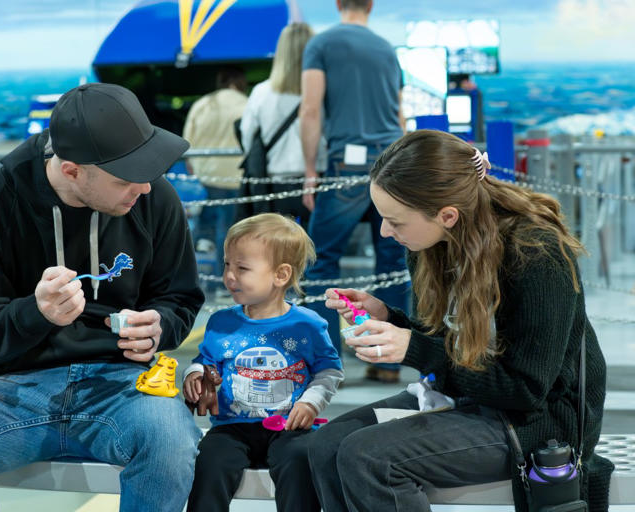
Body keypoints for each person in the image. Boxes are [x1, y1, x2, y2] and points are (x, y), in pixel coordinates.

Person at [0, 83, 205, 512]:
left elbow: (179, 297)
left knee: (172, 443)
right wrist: (35, 313)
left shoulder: (152, 196)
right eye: (125, 178)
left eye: (147, 171)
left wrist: (160, 326)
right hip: (15, 385)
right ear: (71, 170)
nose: (143, 188)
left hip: (123, 383)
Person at [307, 130, 614, 512]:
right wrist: (389, 318)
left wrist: (413, 348)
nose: (385, 232)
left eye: (394, 221)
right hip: (468, 396)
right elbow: (446, 342)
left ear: (447, 215)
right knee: (324, 445)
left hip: (537, 421)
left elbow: (525, 390)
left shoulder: (536, 255)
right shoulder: (430, 244)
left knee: (369, 456)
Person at [183, 213, 344, 512]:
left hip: (288, 428)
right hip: (231, 427)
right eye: (227, 265)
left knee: (301, 459)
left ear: (281, 275)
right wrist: (195, 375)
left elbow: (329, 370)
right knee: (208, 460)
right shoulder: (220, 322)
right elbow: (204, 360)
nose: (230, 276)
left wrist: (310, 403)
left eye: (242, 268)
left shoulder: (307, 325)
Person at [299, 0, 408, 382]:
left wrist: (311, 170)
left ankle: (327, 364)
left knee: (320, 263)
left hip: (347, 165)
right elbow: (399, 116)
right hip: (393, 164)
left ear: (338, 3)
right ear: (372, 5)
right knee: (394, 267)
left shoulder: (322, 44)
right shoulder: (387, 49)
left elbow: (311, 110)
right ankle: (388, 360)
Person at [239, 23, 326, 226]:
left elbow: (247, 136)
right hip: (318, 182)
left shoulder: (261, 92)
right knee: (316, 248)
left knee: (278, 249)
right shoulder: (323, 91)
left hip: (274, 185)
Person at [183, 67, 248, 287]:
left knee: (204, 228)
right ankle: (224, 282)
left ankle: (192, 277)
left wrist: (193, 165)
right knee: (228, 229)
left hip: (207, 175)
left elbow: (187, 140)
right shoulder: (246, 103)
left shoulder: (203, 104)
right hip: (236, 175)